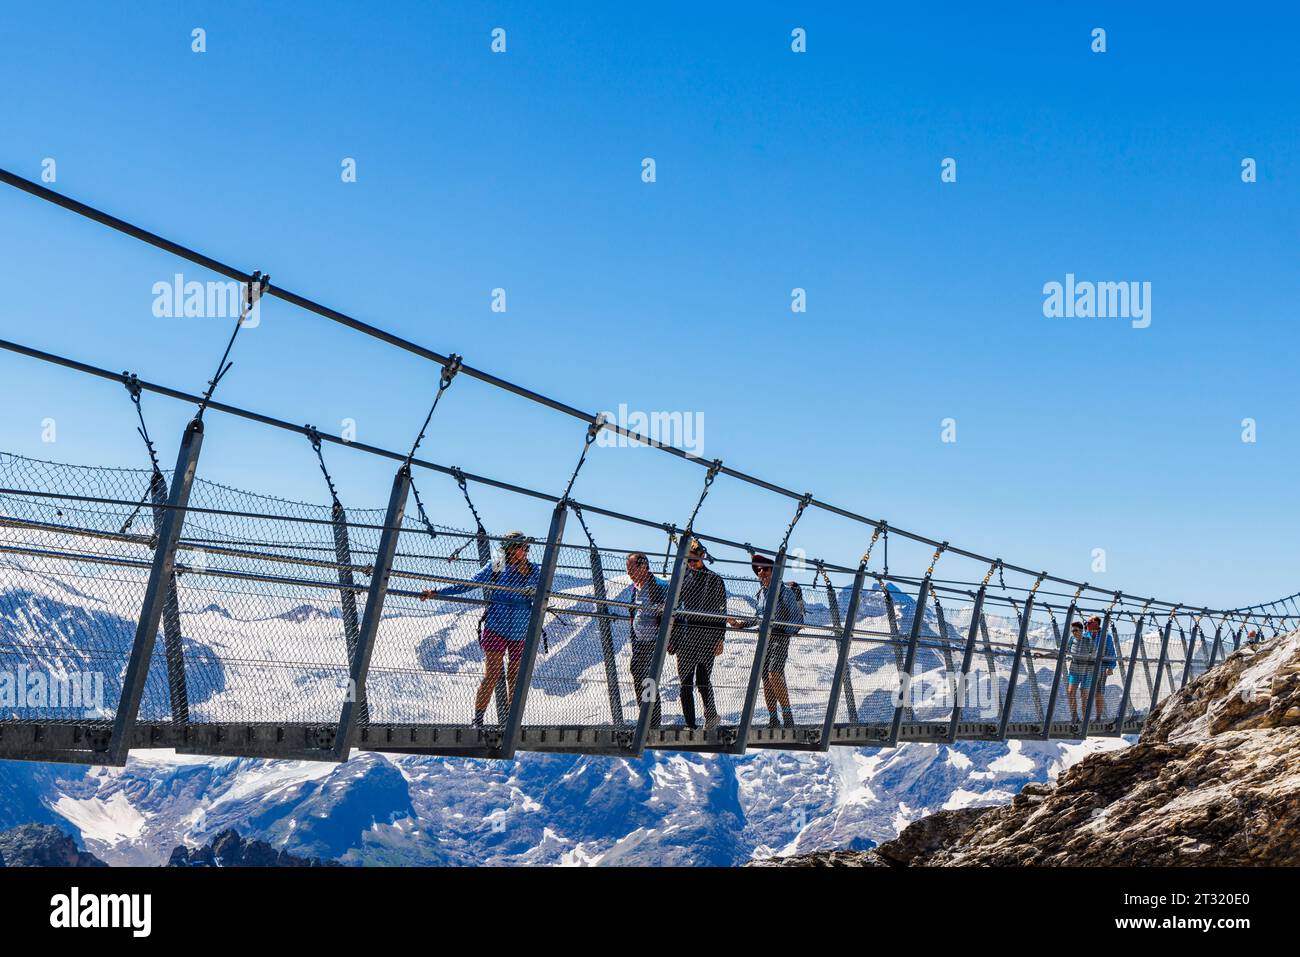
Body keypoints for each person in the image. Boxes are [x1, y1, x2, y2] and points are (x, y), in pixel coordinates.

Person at [419, 531, 538, 728]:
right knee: (491, 674)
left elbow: (540, 591)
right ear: (509, 550)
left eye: (526, 547)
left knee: (515, 678)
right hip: (496, 627)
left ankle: (511, 722)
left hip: (520, 631)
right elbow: (469, 584)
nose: (525, 551)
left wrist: (528, 580)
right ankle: (478, 719)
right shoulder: (498, 566)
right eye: (521, 547)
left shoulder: (533, 570)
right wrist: (437, 592)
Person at [728, 553, 804, 729]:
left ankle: (787, 715)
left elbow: (794, 618)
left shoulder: (784, 592)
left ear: (774, 571)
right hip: (764, 638)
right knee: (765, 678)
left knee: (774, 673)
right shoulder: (761, 593)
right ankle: (773, 718)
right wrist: (740, 625)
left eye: (765, 569)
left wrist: (783, 632)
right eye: (759, 570)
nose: (761, 572)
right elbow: (758, 618)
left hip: (778, 636)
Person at [669, 539, 727, 730]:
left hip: (707, 637)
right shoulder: (681, 579)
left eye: (694, 560)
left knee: (702, 679)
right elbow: (674, 612)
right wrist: (671, 638)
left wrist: (720, 638)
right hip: (685, 637)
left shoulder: (715, 580)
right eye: (688, 561)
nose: (691, 564)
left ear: (702, 556)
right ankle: (690, 723)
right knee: (685, 681)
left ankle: (710, 715)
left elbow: (721, 612)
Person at [626, 552, 667, 728]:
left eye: (631, 568)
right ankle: (645, 713)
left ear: (643, 567)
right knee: (637, 672)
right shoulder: (636, 588)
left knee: (649, 679)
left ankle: (652, 719)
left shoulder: (658, 586)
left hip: (654, 641)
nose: (629, 572)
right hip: (639, 641)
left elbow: (670, 611)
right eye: (627, 569)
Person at [1065, 616, 1116, 722]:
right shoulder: (1085, 635)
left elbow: (1111, 652)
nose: (1086, 624)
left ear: (1096, 624)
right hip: (1086, 669)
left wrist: (1110, 667)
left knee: (1098, 692)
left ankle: (1097, 717)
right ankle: (1080, 718)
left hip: (1101, 668)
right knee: (1084, 693)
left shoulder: (1105, 637)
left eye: (1089, 622)